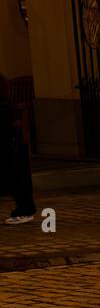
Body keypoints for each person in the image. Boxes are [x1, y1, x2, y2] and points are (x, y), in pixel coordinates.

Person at [0, 76, 37, 225]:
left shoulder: (4, 105)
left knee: (16, 180)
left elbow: (8, 126)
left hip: (9, 147)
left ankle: (25, 210)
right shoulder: (5, 104)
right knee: (14, 180)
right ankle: (24, 209)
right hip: (9, 146)